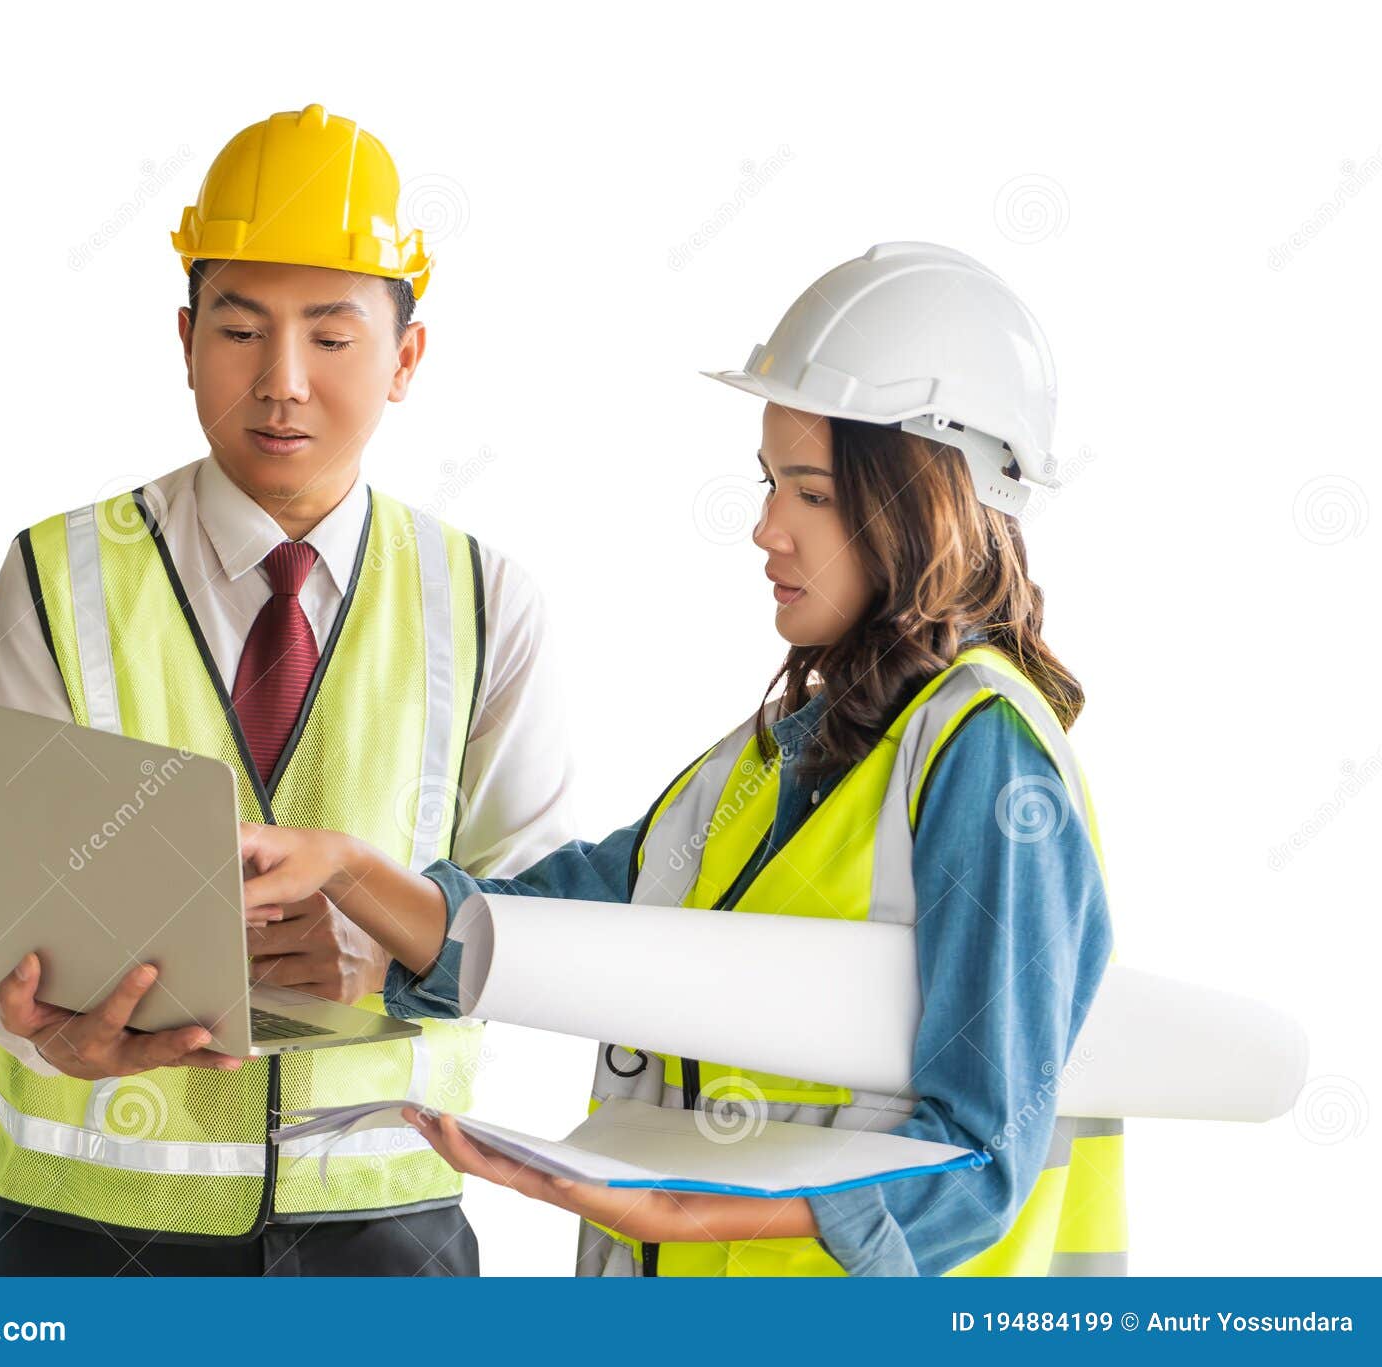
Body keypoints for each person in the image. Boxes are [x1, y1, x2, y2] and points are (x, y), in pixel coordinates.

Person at [236, 243, 1128, 1277]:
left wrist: (686, 1210)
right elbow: (543, 925)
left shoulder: (990, 760)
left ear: (925, 502)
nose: (764, 528)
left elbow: (981, 1150)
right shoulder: (773, 757)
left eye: (812, 493)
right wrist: (348, 873)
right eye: (768, 484)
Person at [0, 104, 574, 1276]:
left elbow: (545, 926)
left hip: (385, 1236)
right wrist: (43, 1030)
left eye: (332, 338)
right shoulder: (58, 574)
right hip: (85, 1234)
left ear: (406, 358)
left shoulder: (487, 599)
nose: (282, 383)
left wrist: (397, 961)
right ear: (187, 338)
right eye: (241, 330)